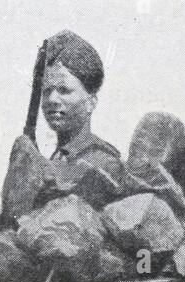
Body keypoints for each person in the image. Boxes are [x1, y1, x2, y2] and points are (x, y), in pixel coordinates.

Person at [37, 30, 126, 208]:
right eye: (46, 91)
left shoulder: (104, 164)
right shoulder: (55, 159)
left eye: (64, 90)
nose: (52, 100)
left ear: (91, 102)